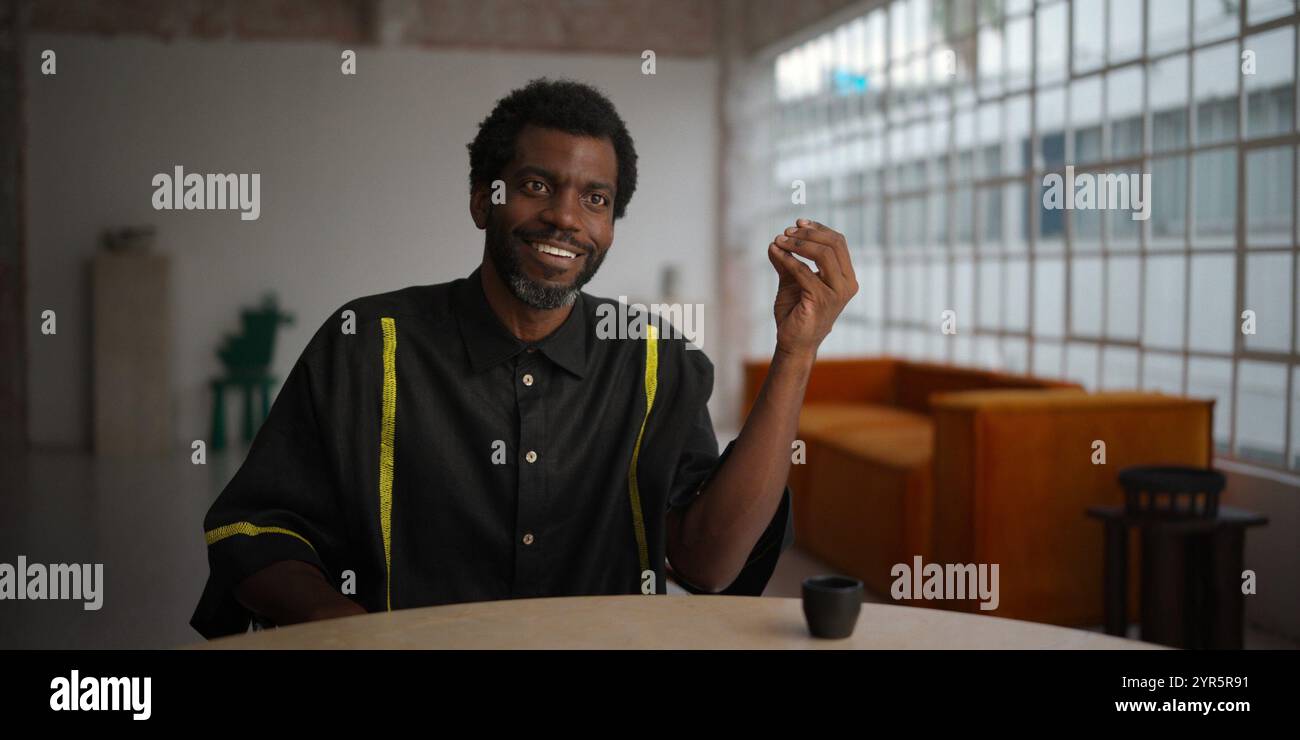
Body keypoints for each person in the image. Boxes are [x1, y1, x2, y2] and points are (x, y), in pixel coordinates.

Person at [191, 77, 857, 638]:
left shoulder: (656, 360)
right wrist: (364, 637)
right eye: (537, 185)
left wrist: (796, 353)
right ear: (485, 199)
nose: (567, 218)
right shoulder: (367, 343)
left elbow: (709, 564)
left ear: (610, 227)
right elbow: (255, 531)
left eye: (595, 199)